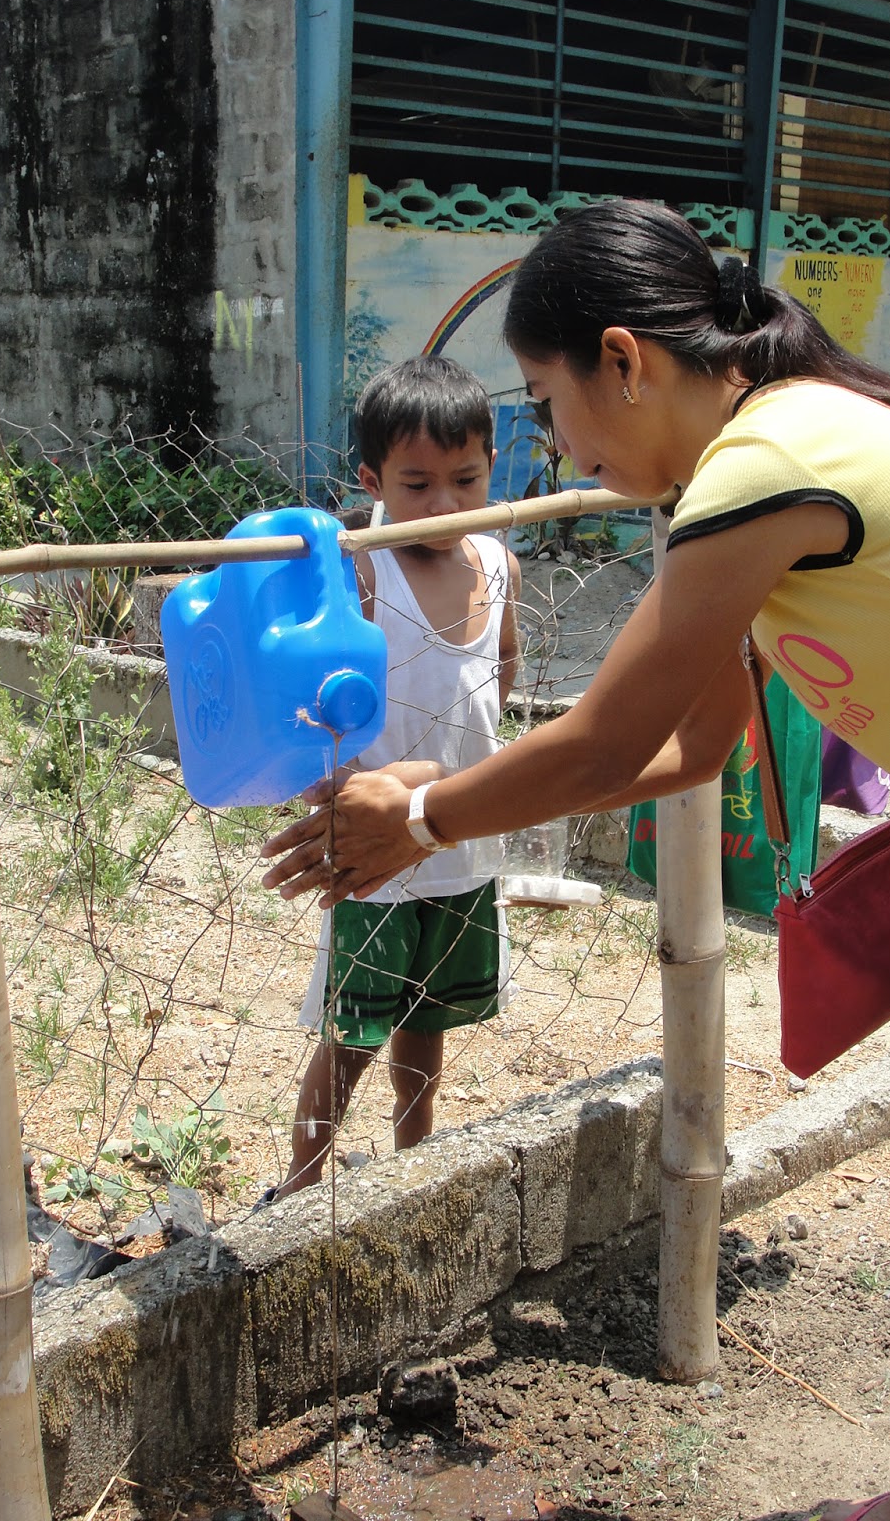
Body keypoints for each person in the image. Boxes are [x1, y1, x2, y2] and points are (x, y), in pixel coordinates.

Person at [262, 200, 890, 1521]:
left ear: (621, 360)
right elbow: (695, 747)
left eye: (546, 399)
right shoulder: (767, 455)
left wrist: (429, 818)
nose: (551, 441)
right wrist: (433, 790)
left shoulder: (762, 466)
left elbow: (612, 731)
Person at [267, 354, 521, 1202]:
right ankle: (302, 1192)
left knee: (431, 1018)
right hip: (380, 846)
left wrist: (465, 764)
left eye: (466, 479)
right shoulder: (362, 571)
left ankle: (414, 1164)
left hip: (458, 833)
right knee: (352, 1034)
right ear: (372, 480)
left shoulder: (496, 565)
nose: (445, 505)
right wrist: (339, 784)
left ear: (494, 467)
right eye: (417, 484)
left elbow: (503, 667)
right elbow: (309, 704)